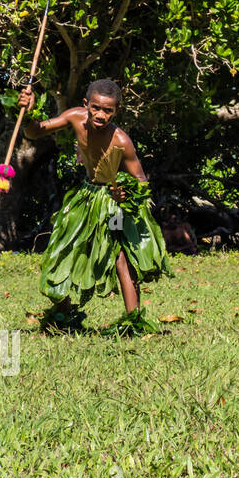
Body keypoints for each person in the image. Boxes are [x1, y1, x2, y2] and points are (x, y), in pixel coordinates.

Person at [19, 79, 171, 332]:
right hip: (87, 195)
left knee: (121, 258)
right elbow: (34, 132)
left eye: (108, 110)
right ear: (86, 105)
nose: (101, 115)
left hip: (113, 200)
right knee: (62, 250)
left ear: (116, 111)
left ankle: (133, 322)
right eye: (96, 108)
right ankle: (62, 316)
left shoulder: (121, 140)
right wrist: (26, 112)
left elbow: (142, 181)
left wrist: (127, 194)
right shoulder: (74, 117)